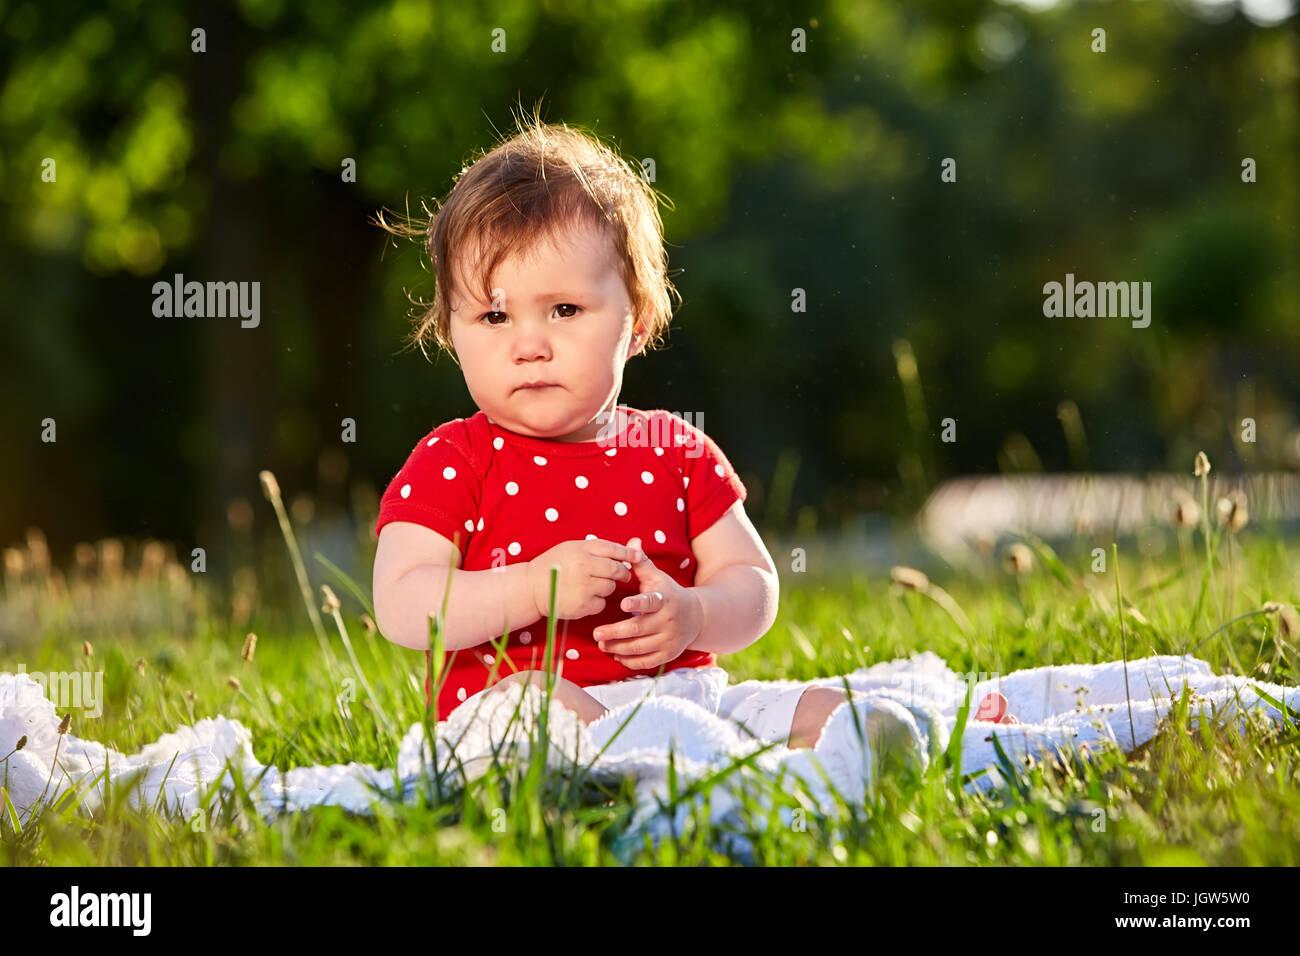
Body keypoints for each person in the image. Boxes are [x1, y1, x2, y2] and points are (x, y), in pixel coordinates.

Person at [370, 108, 918, 765]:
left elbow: (752, 581)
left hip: (685, 701)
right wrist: (529, 587)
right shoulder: (453, 459)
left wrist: (694, 612)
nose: (529, 345)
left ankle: (852, 751)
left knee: (823, 710)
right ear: (450, 330)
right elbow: (403, 606)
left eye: (565, 309)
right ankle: (660, 769)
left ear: (637, 321)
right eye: (493, 315)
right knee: (530, 706)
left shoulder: (676, 451)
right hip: (526, 710)